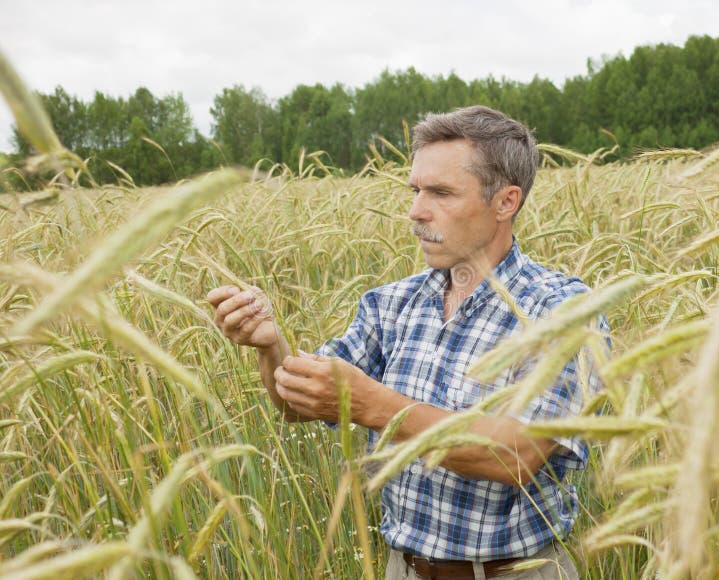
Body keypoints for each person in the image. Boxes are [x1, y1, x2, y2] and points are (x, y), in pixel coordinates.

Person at [208, 105, 606, 579]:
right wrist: (271, 347)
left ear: (506, 202)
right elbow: (301, 404)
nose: (416, 211)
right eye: (415, 190)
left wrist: (373, 405)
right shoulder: (392, 304)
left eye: (440, 192)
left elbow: (516, 455)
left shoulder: (560, 311)